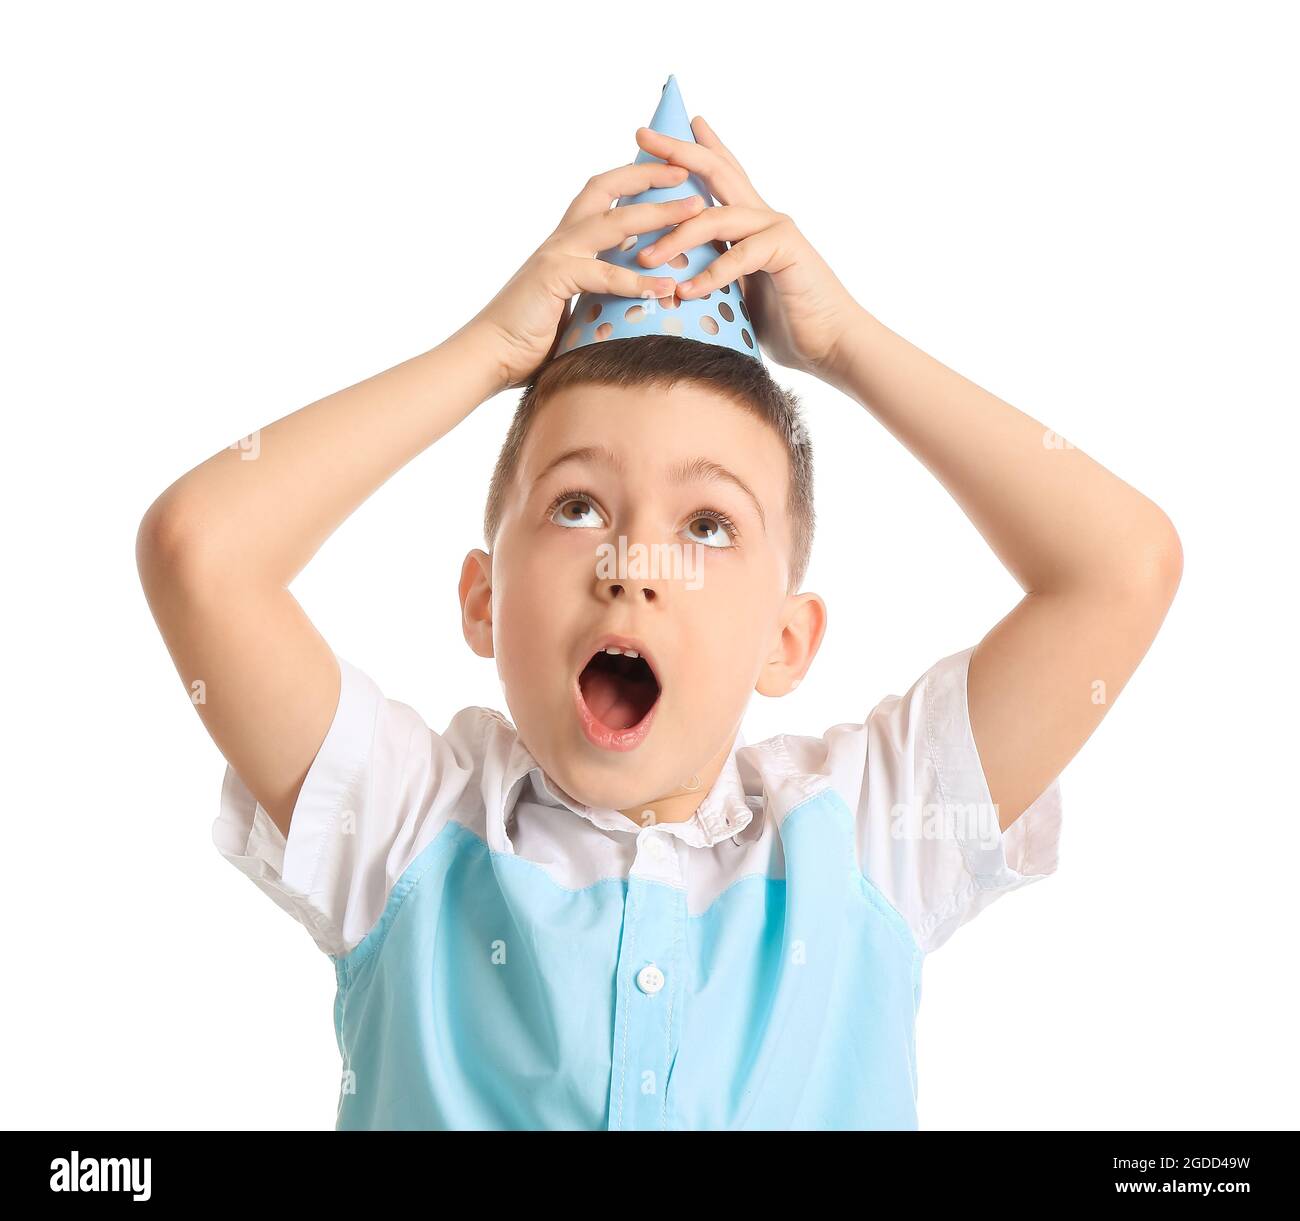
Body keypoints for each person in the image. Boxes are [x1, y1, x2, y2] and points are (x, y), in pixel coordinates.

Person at [136, 83, 1182, 1130]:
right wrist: (485, 355)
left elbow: (1122, 567)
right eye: (578, 504)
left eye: (709, 525)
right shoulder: (405, 830)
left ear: (785, 639)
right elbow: (200, 553)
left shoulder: (867, 837)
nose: (633, 564)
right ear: (484, 599)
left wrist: (846, 344)